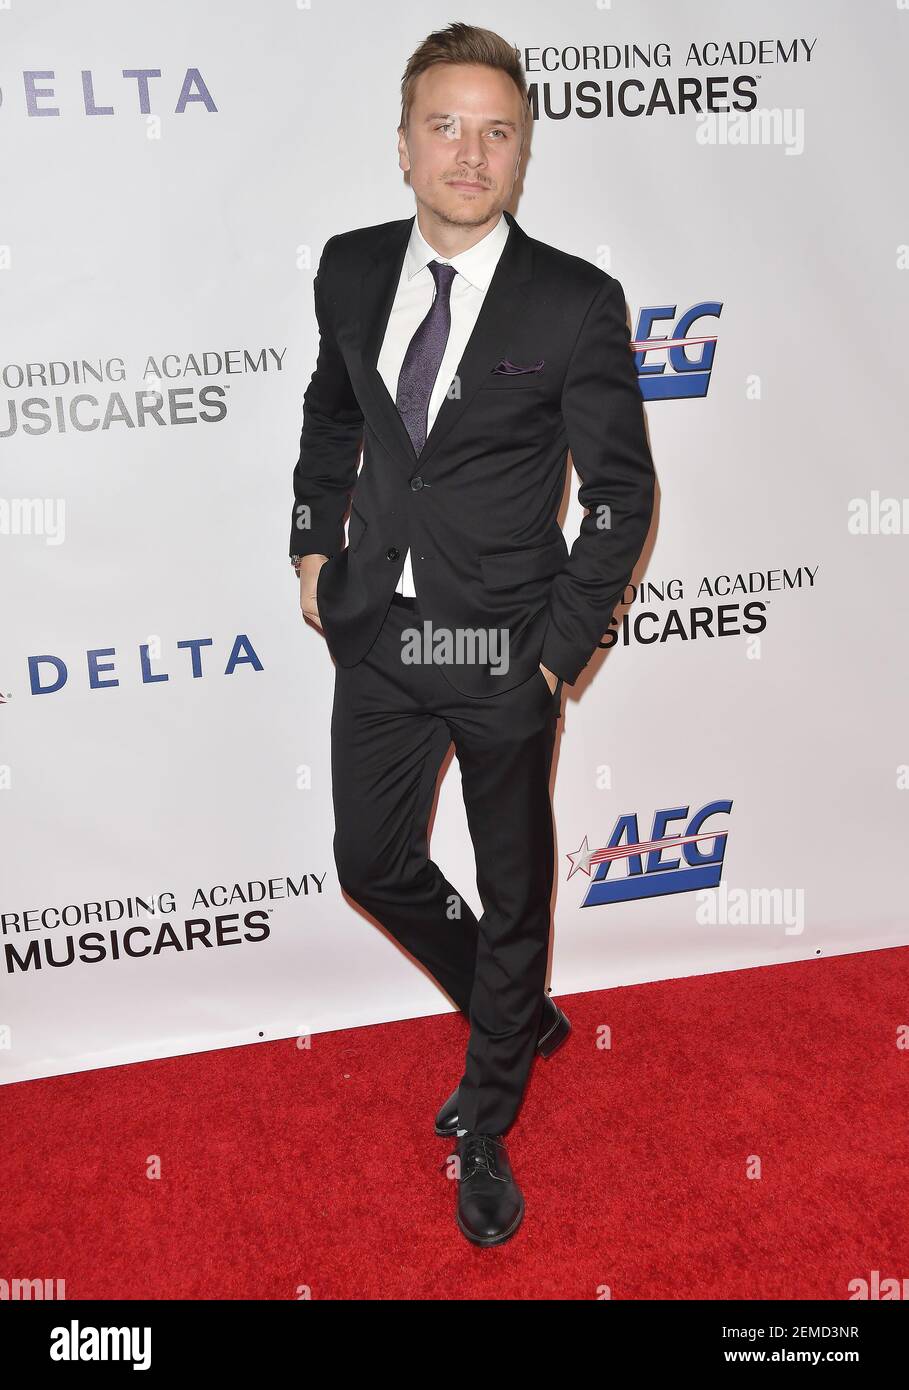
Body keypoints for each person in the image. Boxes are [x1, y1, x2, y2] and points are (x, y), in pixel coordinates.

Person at [289, 22, 655, 1246]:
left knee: (513, 887)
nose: (469, 153)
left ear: (523, 152)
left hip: (506, 649)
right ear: (403, 145)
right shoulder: (350, 269)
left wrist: (555, 653)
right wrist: (311, 543)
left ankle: (489, 1118)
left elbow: (621, 496)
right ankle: (516, 1009)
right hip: (380, 634)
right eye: (443, 127)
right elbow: (330, 412)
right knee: (370, 861)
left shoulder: (574, 299)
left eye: (496, 132)